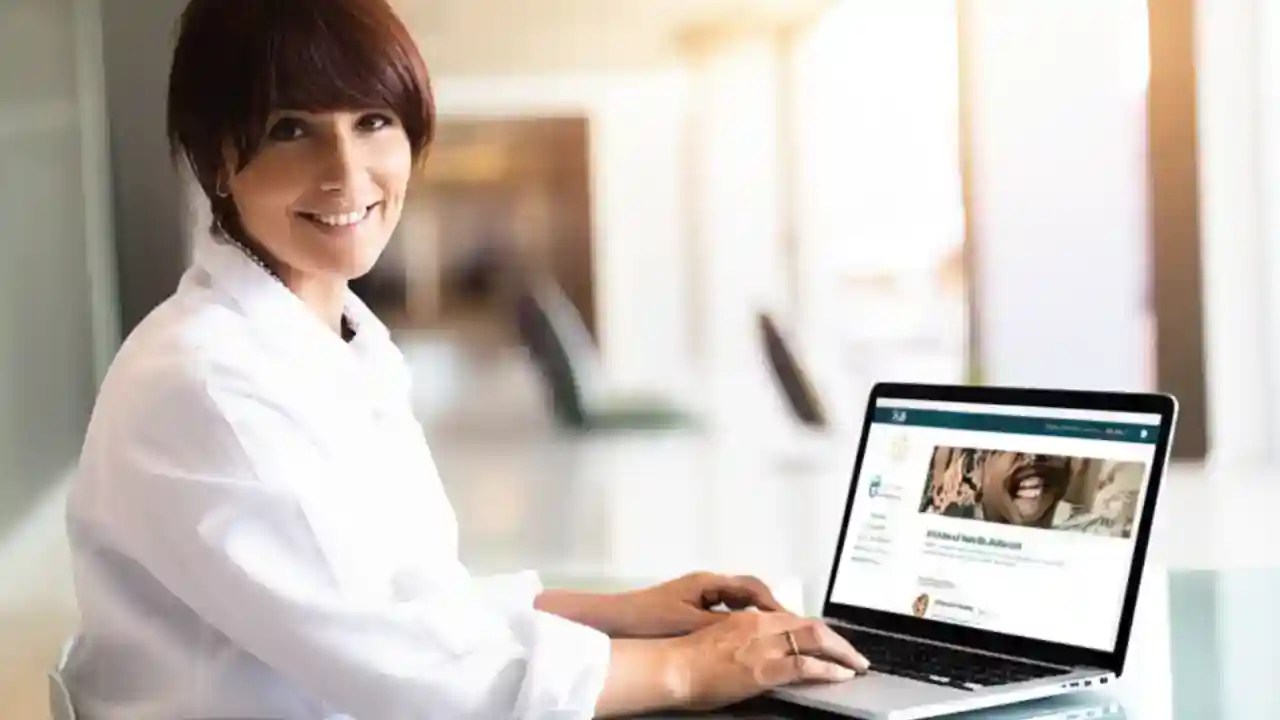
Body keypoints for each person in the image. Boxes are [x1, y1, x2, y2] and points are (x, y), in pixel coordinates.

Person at [60, 1, 868, 718]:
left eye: (372, 120)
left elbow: (409, 603)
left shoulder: (337, 343)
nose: (346, 172)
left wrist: (626, 612)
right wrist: (695, 668)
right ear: (217, 162)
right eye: (290, 129)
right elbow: (419, 679)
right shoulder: (208, 381)